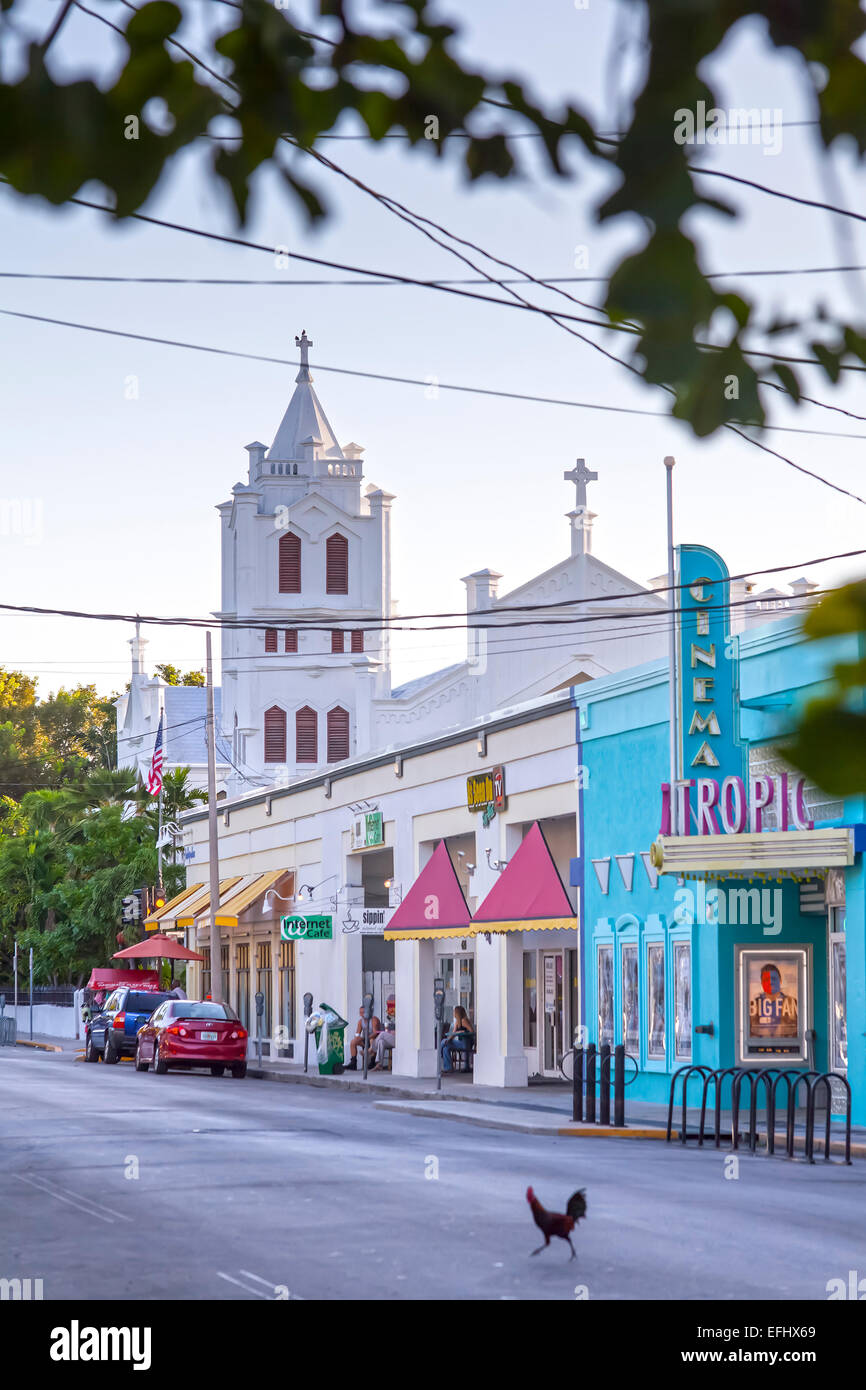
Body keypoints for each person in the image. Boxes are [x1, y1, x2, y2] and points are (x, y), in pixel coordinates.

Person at [346, 1004, 382, 1070]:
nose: (362, 1014)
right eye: (360, 1013)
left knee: (371, 1039)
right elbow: (357, 1033)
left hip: (375, 1040)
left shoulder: (374, 1019)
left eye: (363, 1012)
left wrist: (365, 1038)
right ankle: (353, 1063)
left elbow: (375, 1033)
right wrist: (357, 1037)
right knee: (353, 1042)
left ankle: (372, 1061)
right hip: (365, 1040)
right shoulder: (360, 1021)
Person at [440, 1005, 474, 1072]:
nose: (453, 1013)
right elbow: (454, 1033)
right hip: (461, 1043)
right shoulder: (457, 1022)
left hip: (466, 1043)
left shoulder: (464, 1020)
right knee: (445, 1047)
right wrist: (448, 1040)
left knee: (444, 1043)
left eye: (454, 1012)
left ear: (458, 1013)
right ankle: (448, 1068)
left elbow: (472, 1031)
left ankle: (439, 1056)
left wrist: (463, 1032)